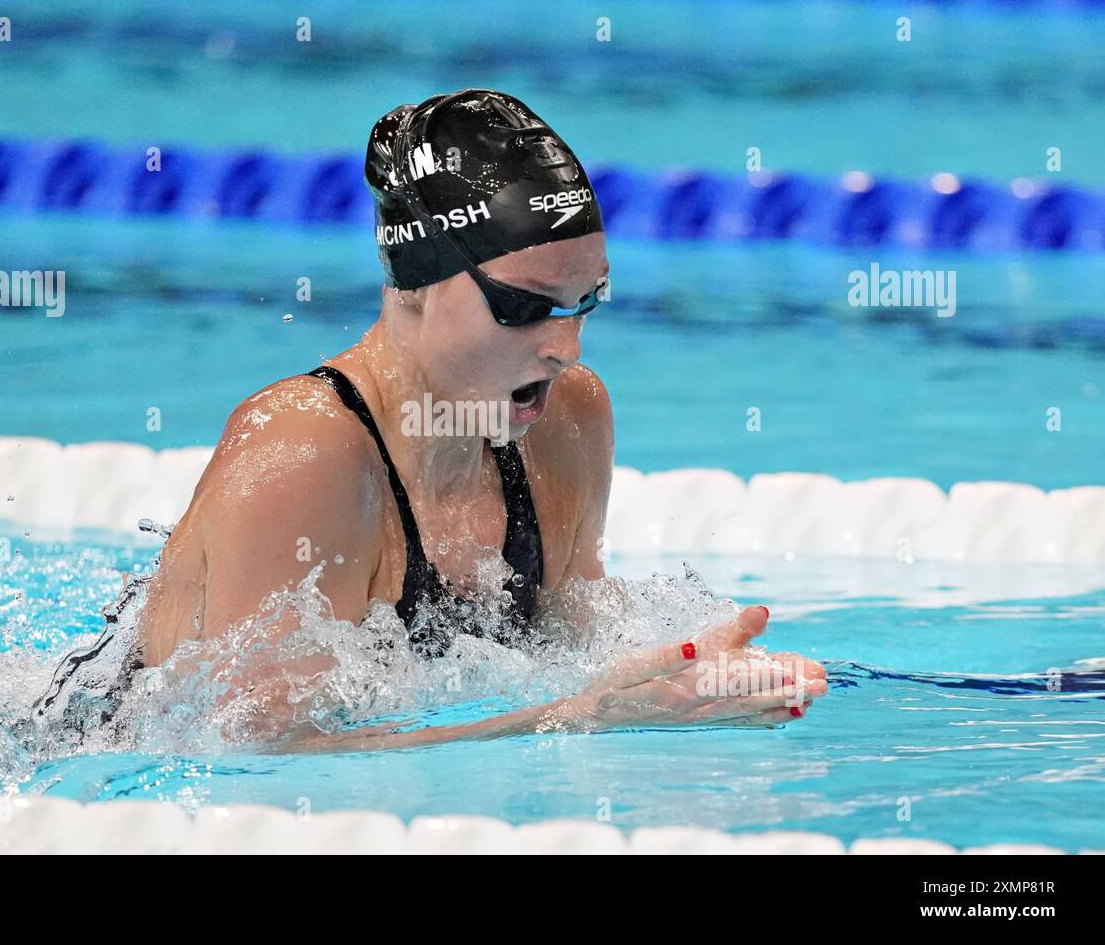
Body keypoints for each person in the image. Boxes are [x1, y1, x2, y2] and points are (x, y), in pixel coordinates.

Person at [130, 88, 828, 752]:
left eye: (588, 300)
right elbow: (252, 756)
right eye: (525, 307)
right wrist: (580, 718)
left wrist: (683, 684)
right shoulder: (303, 455)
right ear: (416, 285)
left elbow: (576, 653)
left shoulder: (570, 420)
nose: (566, 348)